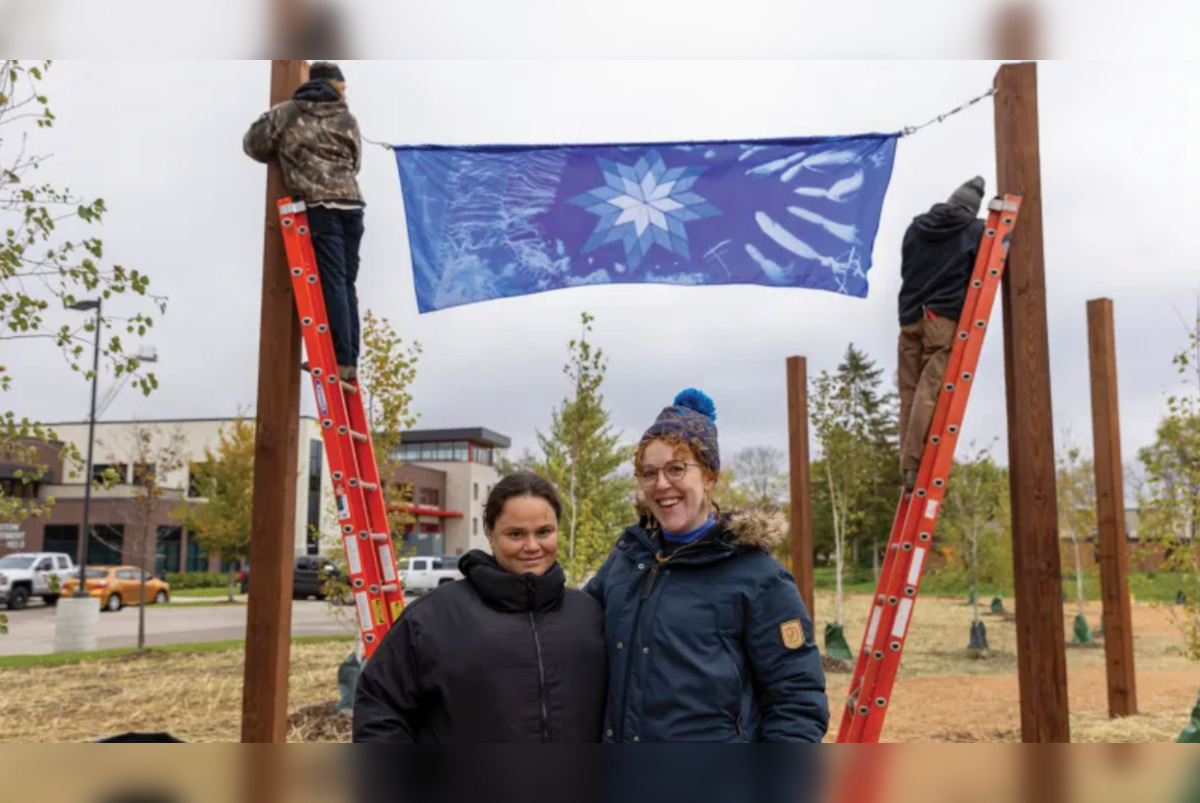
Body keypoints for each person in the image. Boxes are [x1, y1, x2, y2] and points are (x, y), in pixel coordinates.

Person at [585, 389, 828, 743]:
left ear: (710, 477)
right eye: (649, 473)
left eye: (676, 469)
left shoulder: (758, 576)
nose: (661, 484)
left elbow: (797, 699)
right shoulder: (626, 559)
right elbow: (575, 630)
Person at [352, 471, 607, 742]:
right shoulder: (434, 618)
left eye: (544, 532)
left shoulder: (589, 615)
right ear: (490, 532)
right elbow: (379, 707)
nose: (532, 546)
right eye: (516, 534)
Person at [243, 61, 365, 382]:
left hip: (319, 204)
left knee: (332, 282)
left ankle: (337, 359)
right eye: (343, 87)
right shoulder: (347, 118)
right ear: (333, 85)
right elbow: (356, 162)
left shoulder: (287, 113)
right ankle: (348, 360)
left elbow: (253, 144)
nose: (345, 93)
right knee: (346, 282)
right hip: (352, 205)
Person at [897, 176, 987, 492]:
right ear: (972, 209)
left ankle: (906, 465)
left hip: (908, 320)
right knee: (929, 390)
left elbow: (906, 268)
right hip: (941, 319)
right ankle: (914, 467)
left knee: (908, 393)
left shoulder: (915, 228)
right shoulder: (974, 231)